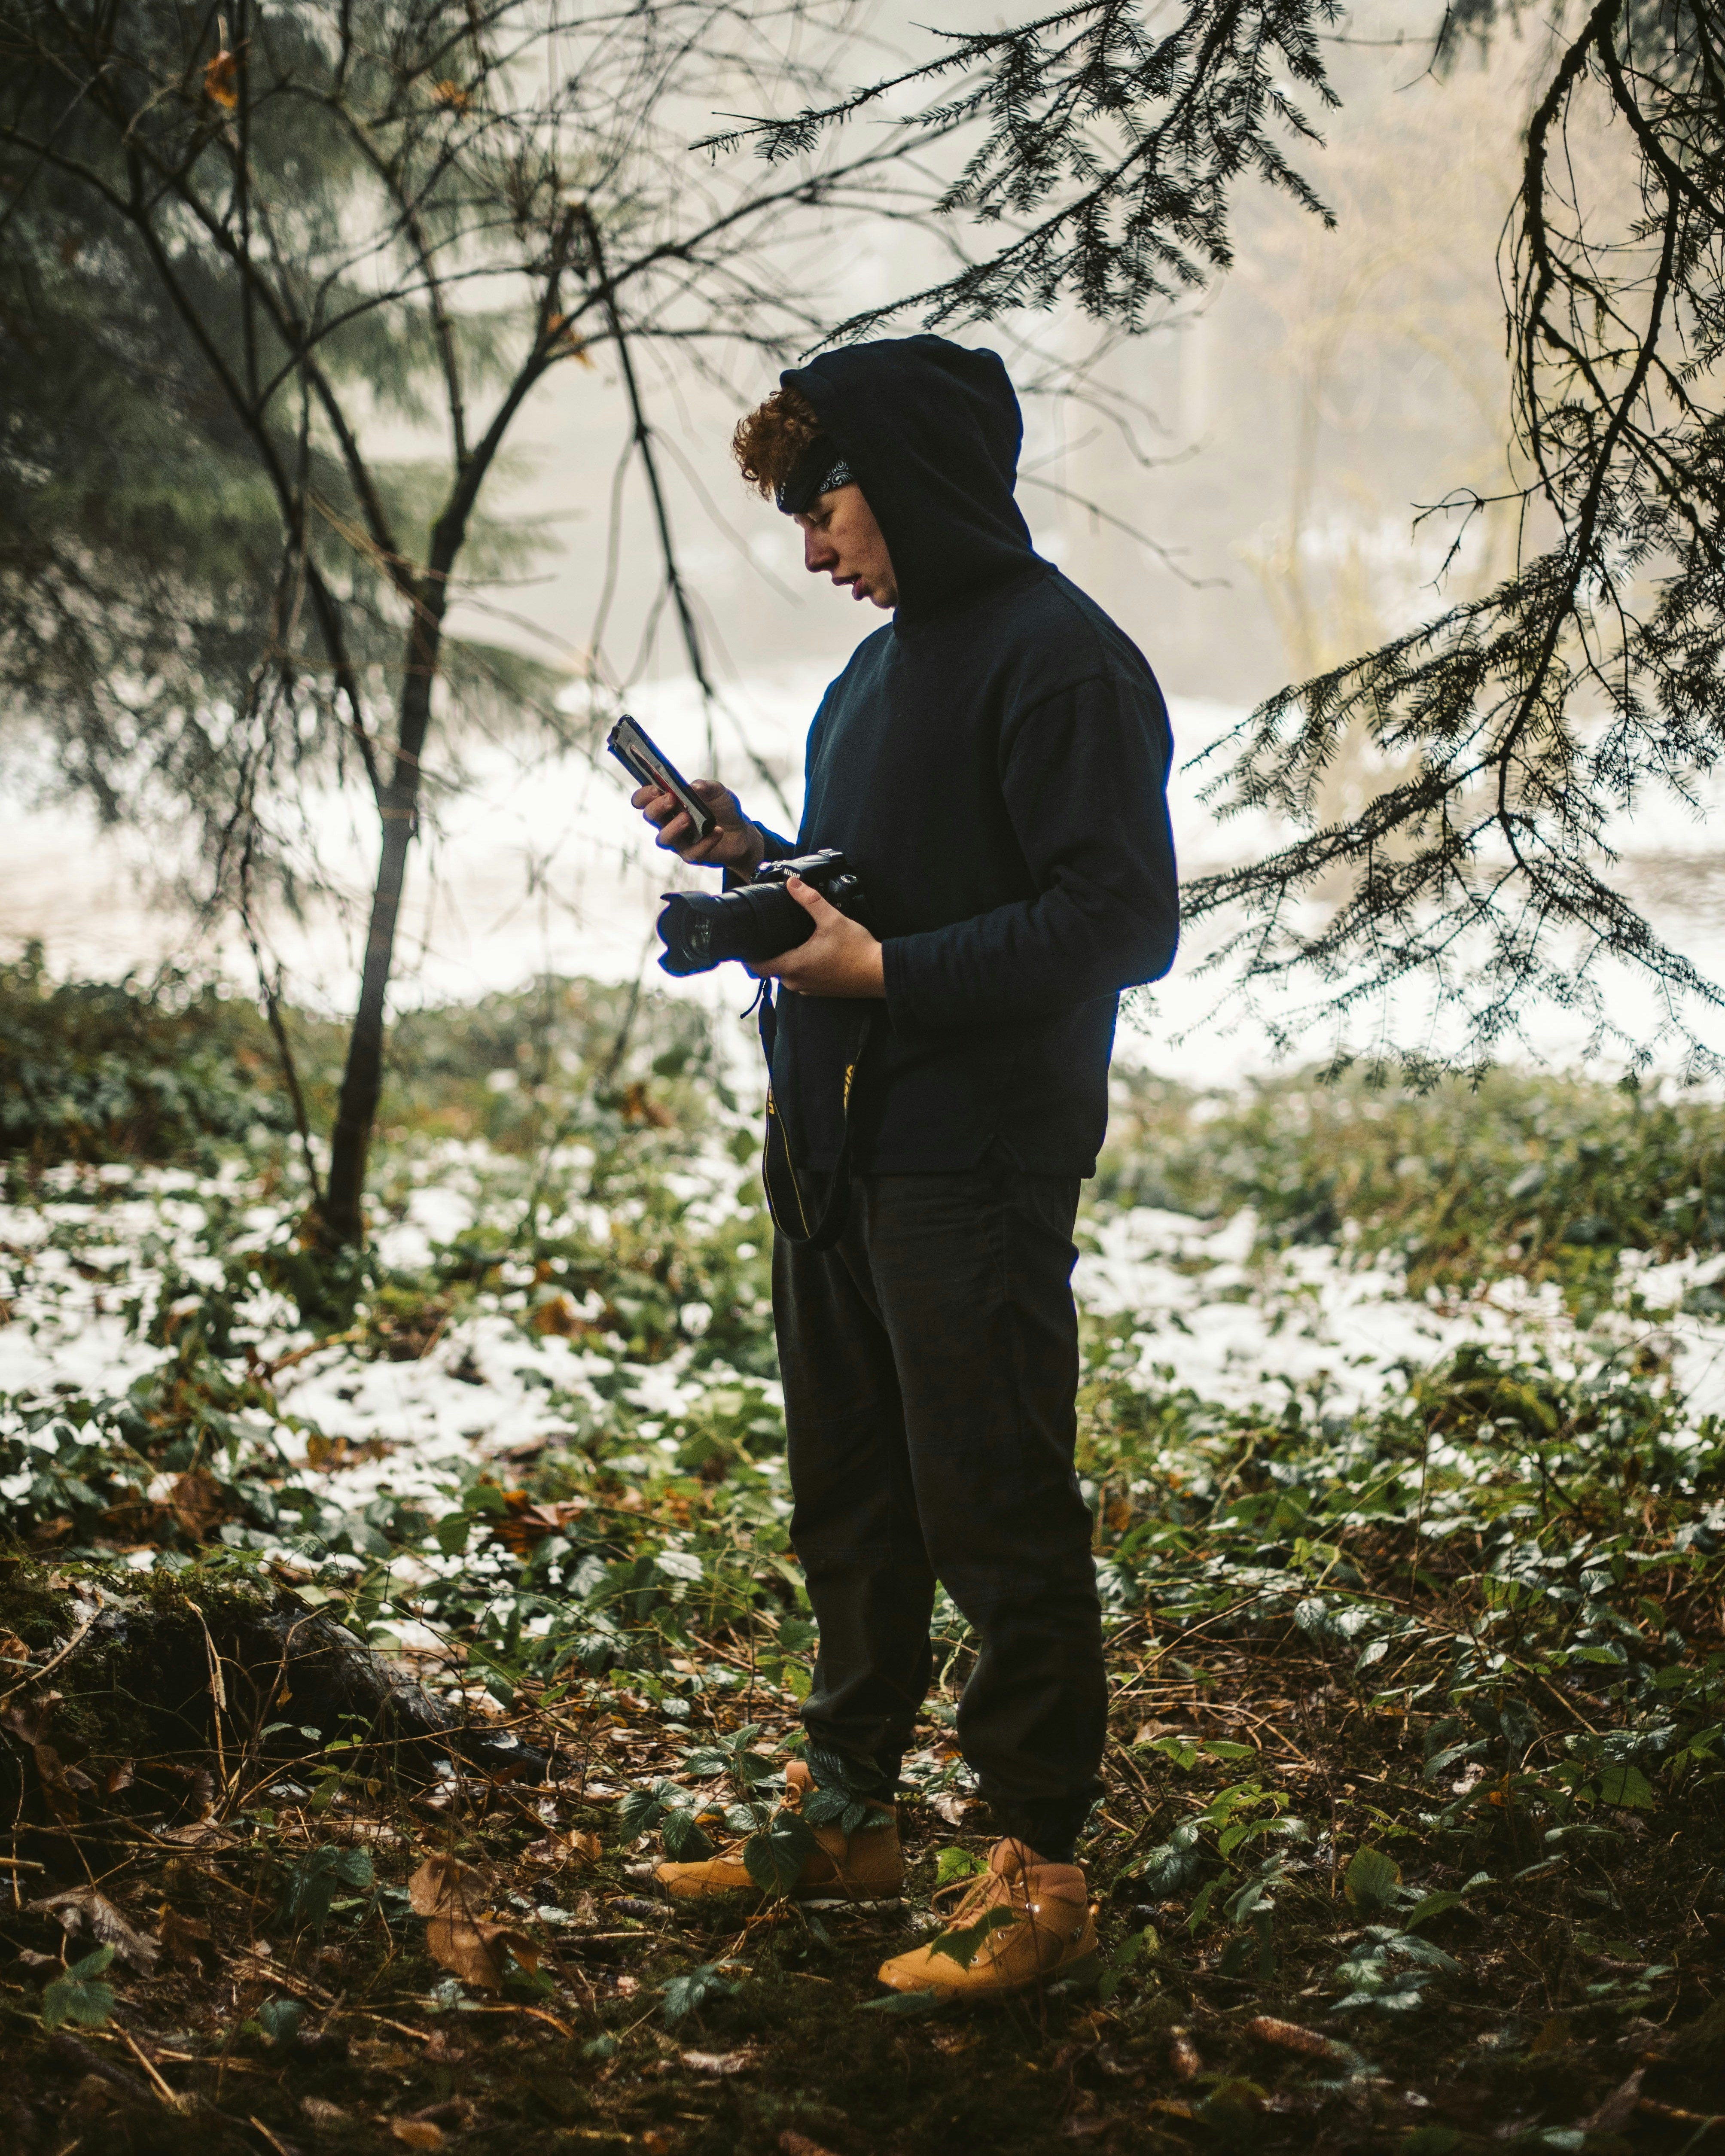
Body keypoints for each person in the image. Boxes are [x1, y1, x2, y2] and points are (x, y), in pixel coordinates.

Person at [631, 334, 1179, 2000]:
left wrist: (885, 980)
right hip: (835, 1149)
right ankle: (850, 1810)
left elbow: (1116, 921)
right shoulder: (873, 676)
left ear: (914, 478)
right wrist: (749, 859)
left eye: (822, 502)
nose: (810, 548)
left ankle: (1037, 1863)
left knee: (991, 1506)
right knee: (854, 1501)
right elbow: (890, 873)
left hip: (973, 1160)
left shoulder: (1060, 663)